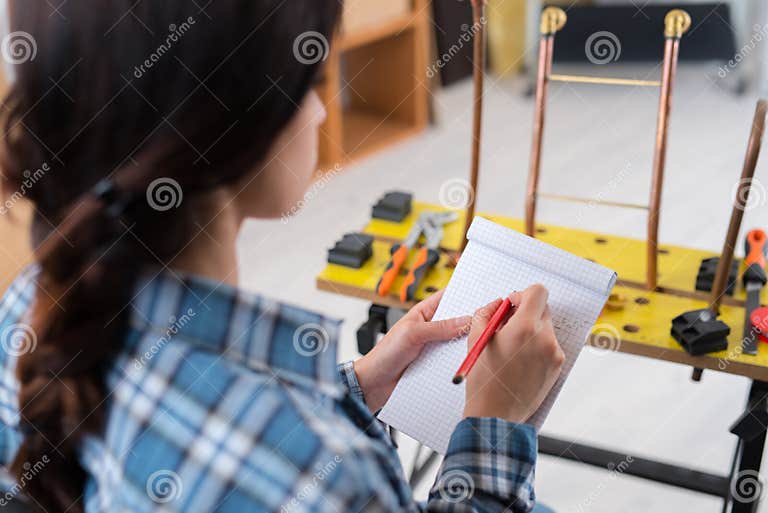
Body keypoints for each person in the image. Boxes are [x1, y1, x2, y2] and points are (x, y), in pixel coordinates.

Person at [0, 1, 565, 512]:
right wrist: (494, 419)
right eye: (313, 83)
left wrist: (357, 388)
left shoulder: (26, 313)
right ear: (235, 124)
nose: (321, 112)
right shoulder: (328, 484)